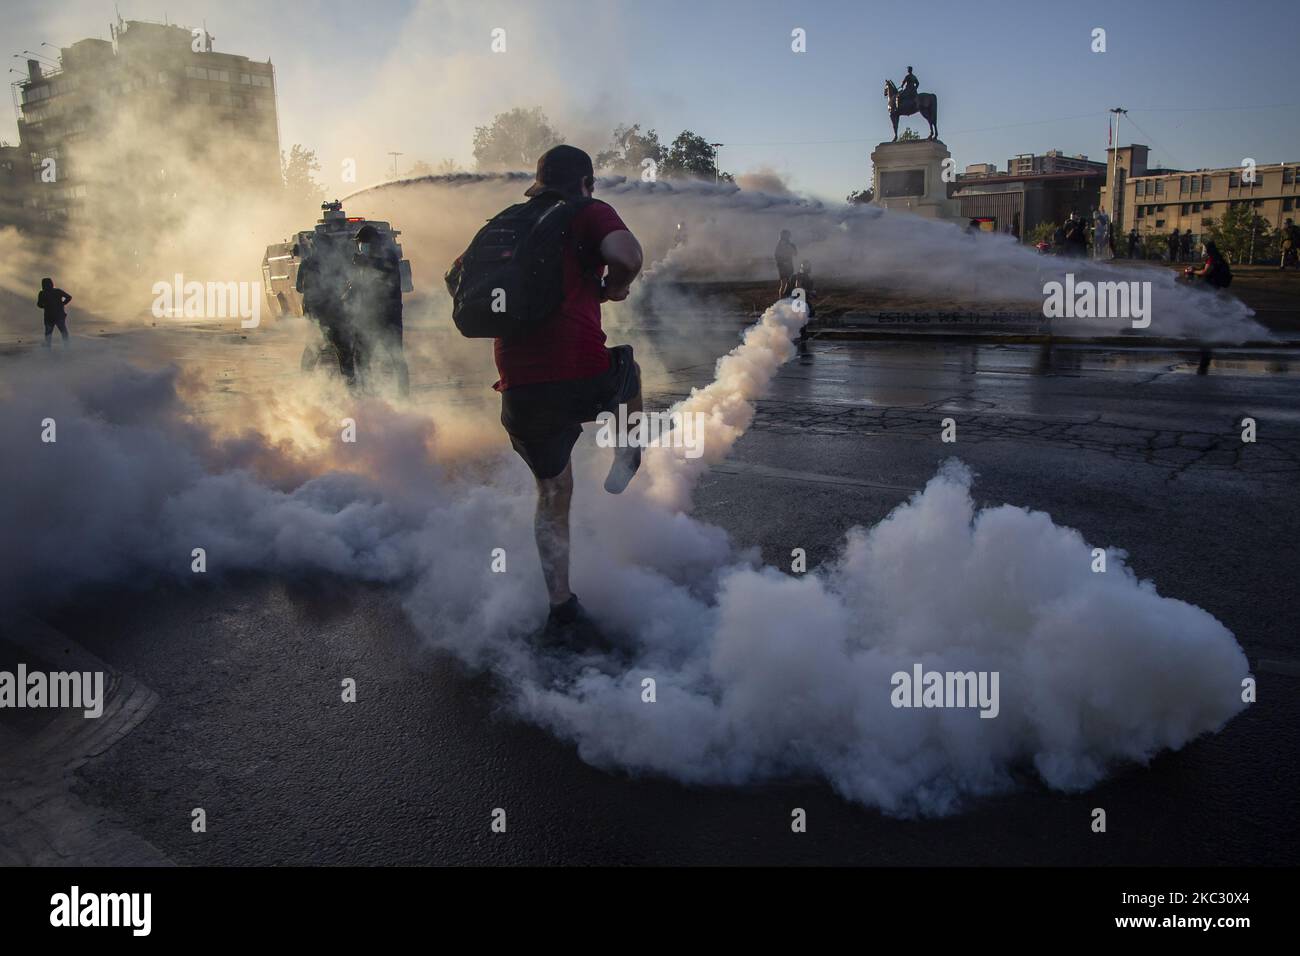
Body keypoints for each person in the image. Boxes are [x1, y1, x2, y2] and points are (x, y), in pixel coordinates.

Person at [447, 145, 644, 642]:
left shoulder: (506, 222)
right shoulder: (586, 210)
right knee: (628, 369)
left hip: (520, 391)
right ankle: (627, 449)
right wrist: (614, 288)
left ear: (537, 182)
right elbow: (628, 255)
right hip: (579, 372)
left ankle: (560, 609)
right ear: (586, 183)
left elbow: (456, 277)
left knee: (553, 491)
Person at [340, 223, 409, 395]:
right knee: (362, 357)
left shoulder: (386, 255)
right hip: (368, 315)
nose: (362, 246)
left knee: (396, 357)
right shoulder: (365, 260)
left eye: (363, 242)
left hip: (388, 315)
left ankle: (403, 395)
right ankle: (367, 393)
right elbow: (359, 285)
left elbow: (386, 270)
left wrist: (366, 262)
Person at [789, 260, 817, 354]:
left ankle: (801, 335)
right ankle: (800, 336)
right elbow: (798, 287)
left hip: (797, 300)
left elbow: (785, 289)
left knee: (805, 316)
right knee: (805, 315)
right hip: (798, 301)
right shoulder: (800, 277)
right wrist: (810, 292)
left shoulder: (800, 276)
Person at [36, 278, 72, 347]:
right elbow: (69, 297)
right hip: (59, 315)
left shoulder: (42, 293)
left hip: (49, 317)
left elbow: (39, 304)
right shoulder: (57, 291)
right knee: (64, 332)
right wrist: (63, 303)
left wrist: (45, 306)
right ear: (52, 284)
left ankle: (48, 349)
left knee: (48, 335)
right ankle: (67, 347)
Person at [774, 230, 797, 298]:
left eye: (787, 235)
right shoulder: (779, 245)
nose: (785, 237)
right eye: (784, 235)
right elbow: (776, 256)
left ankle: (787, 298)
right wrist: (782, 262)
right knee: (784, 283)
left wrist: (791, 248)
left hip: (789, 266)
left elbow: (795, 253)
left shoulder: (791, 244)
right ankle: (781, 298)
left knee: (789, 282)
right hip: (782, 267)